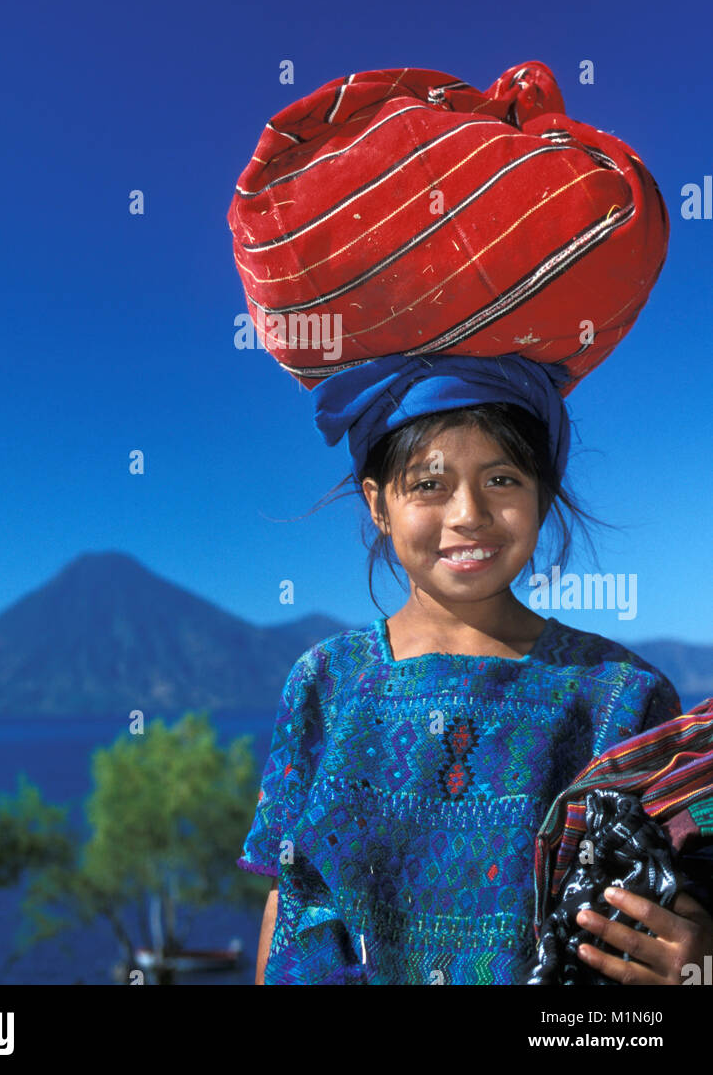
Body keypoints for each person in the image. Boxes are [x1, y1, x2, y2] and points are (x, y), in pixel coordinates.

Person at [236, 352, 713, 984]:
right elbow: (291, 895)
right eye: (430, 484)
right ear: (379, 504)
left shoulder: (623, 698)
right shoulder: (326, 684)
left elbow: (677, 899)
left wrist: (698, 963)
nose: (468, 514)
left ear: (542, 496)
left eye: (502, 479)